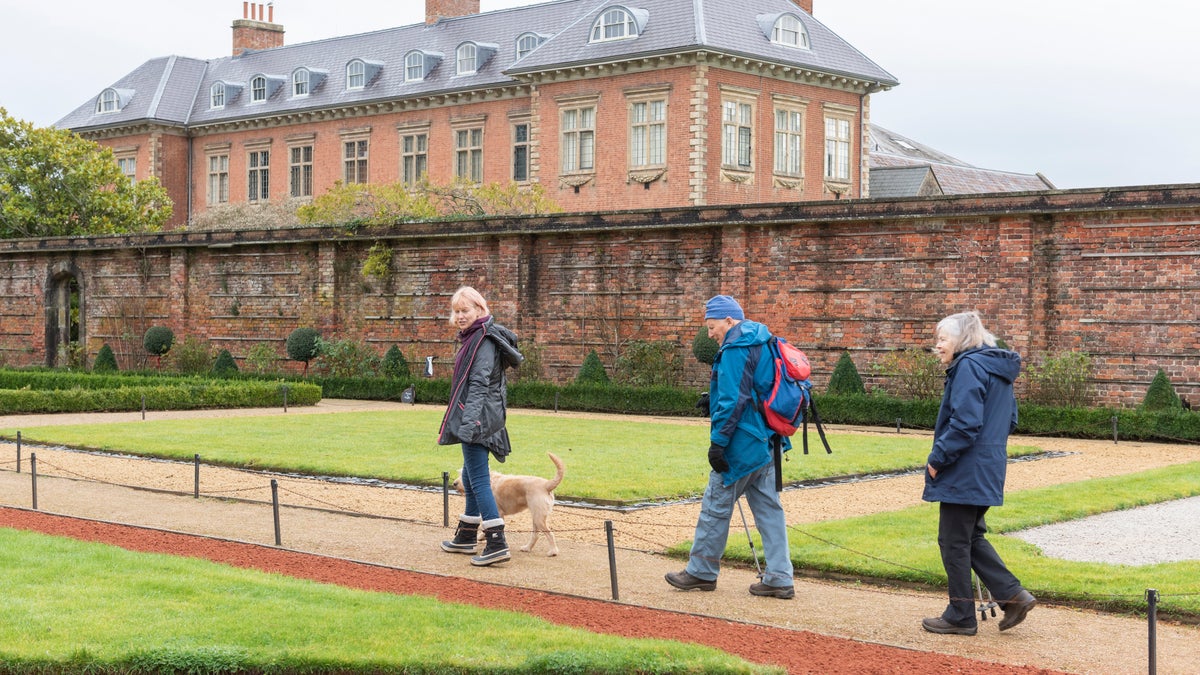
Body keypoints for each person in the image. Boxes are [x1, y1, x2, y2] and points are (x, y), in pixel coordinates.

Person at [665, 295, 796, 599]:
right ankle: (779, 577)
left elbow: (733, 400)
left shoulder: (736, 346)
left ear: (728, 320)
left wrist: (718, 444)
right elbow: (752, 389)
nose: (709, 334)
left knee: (715, 505)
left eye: (712, 327)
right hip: (768, 440)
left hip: (743, 442)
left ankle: (701, 571)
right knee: (769, 510)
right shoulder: (764, 339)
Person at [921, 311, 1036, 635]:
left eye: (943, 338)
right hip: (988, 464)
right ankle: (1013, 596)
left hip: (965, 467)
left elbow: (966, 422)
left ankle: (960, 614)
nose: (938, 345)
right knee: (969, 537)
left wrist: (938, 458)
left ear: (961, 339)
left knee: (953, 541)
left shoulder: (969, 366)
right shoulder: (995, 368)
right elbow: (1010, 419)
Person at [437, 286, 523, 566]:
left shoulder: (483, 340)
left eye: (465, 310)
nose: (460, 316)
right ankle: (467, 535)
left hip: (478, 418)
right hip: (479, 416)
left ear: (480, 310)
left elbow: (479, 384)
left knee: (479, 479)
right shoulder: (475, 337)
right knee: (473, 477)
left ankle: (496, 541)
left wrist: (469, 422)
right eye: (457, 311)